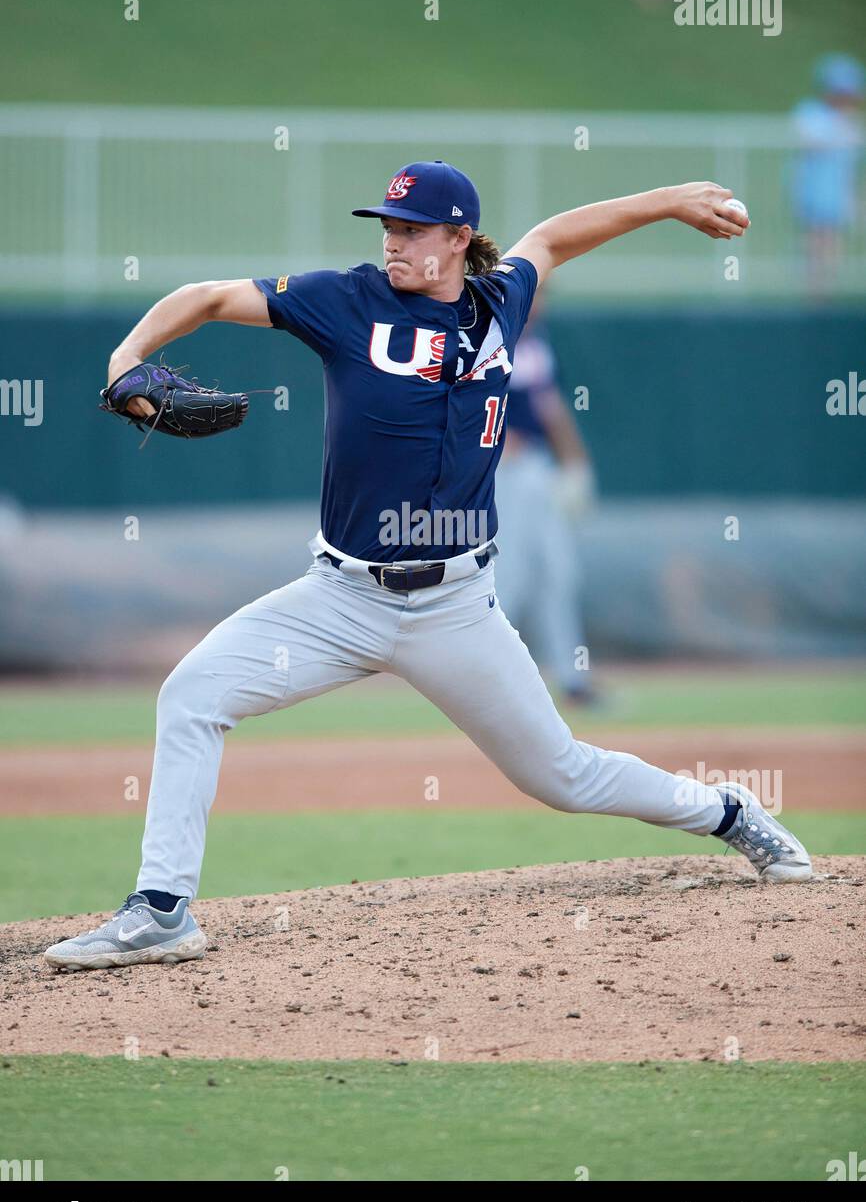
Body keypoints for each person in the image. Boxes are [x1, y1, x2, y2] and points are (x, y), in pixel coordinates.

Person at [44, 162, 810, 971]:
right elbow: (204, 296)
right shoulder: (346, 300)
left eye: (411, 229)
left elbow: (551, 237)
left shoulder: (500, 301)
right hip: (338, 598)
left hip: (456, 608)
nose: (392, 241)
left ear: (456, 240)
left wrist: (669, 203)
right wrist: (126, 357)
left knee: (562, 776)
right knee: (192, 694)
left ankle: (726, 812)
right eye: (387, 226)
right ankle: (162, 909)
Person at [492, 295, 598, 703]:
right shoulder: (489, 337)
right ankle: (493, 680)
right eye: (533, 292)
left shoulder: (536, 341)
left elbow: (550, 406)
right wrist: (495, 444)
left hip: (538, 466)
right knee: (508, 576)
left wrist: (576, 462)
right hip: (503, 472)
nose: (540, 301)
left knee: (559, 571)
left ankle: (574, 680)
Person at [790, 53, 865, 296]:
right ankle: (814, 297)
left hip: (837, 195)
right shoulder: (810, 113)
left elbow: (850, 162)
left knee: (833, 249)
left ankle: (825, 296)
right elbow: (810, 140)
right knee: (815, 246)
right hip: (814, 193)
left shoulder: (851, 121)